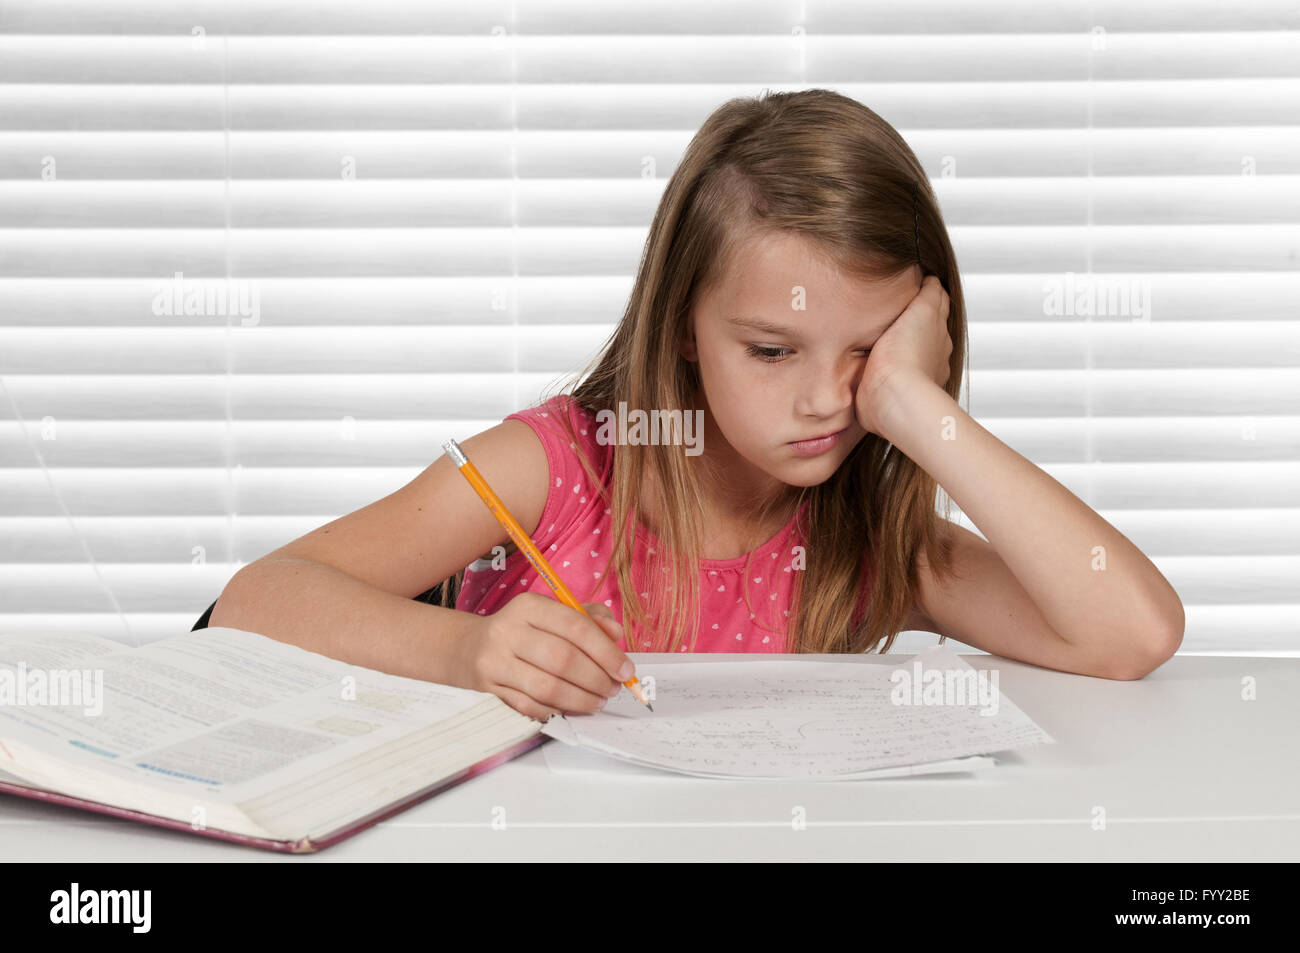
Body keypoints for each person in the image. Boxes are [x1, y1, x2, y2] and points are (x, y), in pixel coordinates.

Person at [209, 88, 1184, 722]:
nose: (822, 397)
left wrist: (918, 409)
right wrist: (468, 649)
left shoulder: (865, 538)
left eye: (867, 352)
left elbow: (1130, 633)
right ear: (681, 322)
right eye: (770, 348)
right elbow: (254, 601)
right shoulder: (553, 469)